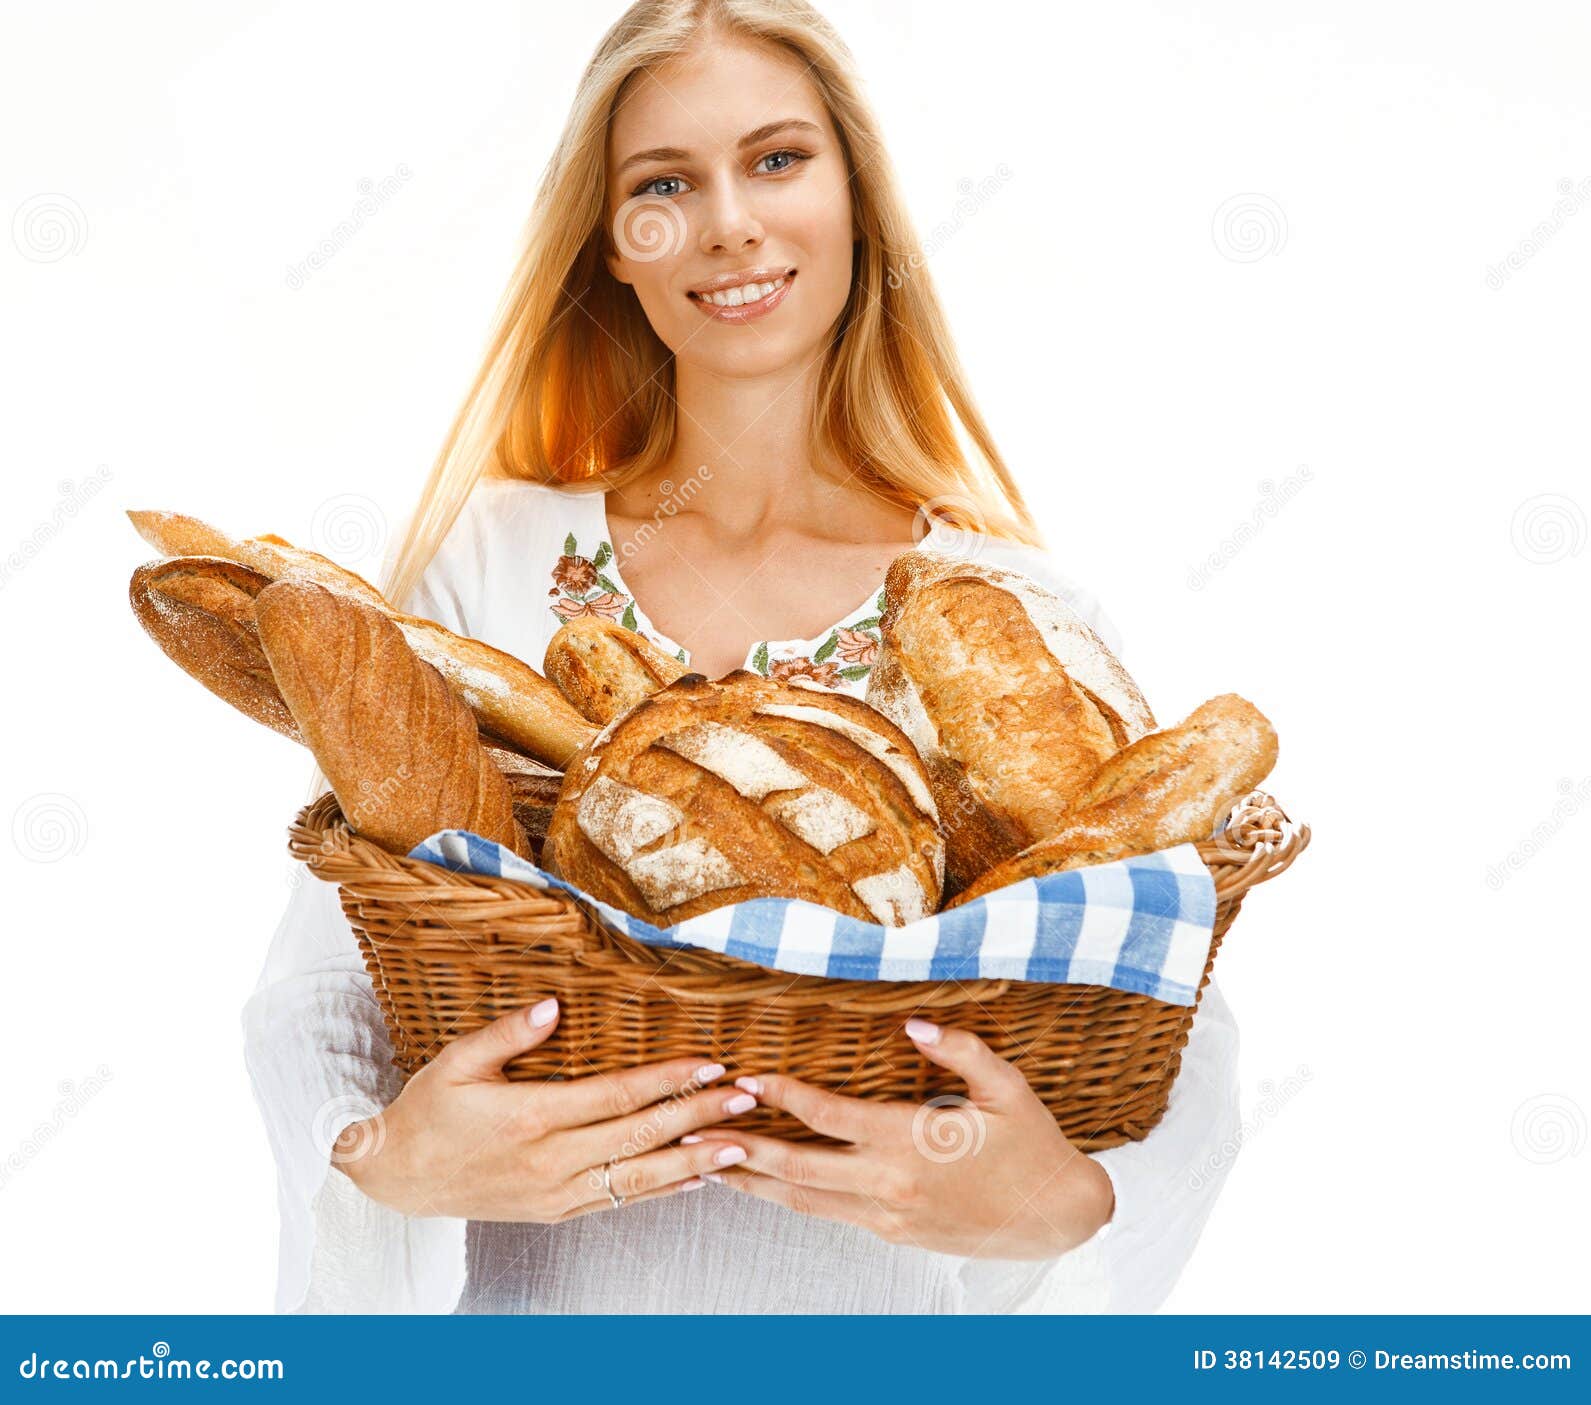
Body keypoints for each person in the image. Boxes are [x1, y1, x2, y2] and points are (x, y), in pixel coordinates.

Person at [243, 0, 1243, 1314]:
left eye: (778, 160)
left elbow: (1179, 1038)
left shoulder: (1012, 618)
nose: (730, 224)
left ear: (856, 194)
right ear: (611, 243)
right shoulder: (489, 570)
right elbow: (322, 989)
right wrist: (385, 1161)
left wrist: (1068, 1205)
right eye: (666, 184)